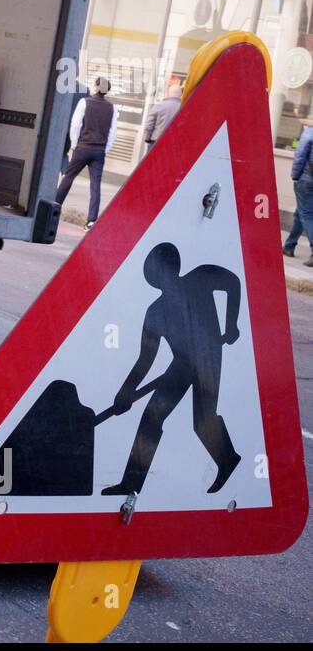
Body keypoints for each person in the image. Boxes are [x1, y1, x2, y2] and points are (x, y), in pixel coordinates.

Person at [102, 242, 242, 497]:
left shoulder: (200, 277)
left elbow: (233, 282)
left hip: (207, 357)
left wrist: (231, 323)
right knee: (151, 416)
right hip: (181, 364)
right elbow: (145, 359)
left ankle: (228, 459)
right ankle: (131, 483)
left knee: (203, 420)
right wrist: (125, 392)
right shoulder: (155, 312)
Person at [55, 76, 118, 229]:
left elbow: (75, 124)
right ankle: (91, 220)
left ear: (96, 88)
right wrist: (105, 148)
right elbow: (112, 132)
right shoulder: (112, 108)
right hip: (99, 151)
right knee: (95, 185)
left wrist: (75, 144)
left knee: (68, 177)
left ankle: (54, 208)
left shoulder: (85, 102)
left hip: (82, 147)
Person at [289, 122, 313, 267]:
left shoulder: (309, 133)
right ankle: (289, 246)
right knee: (301, 213)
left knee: (307, 214)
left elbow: (300, 155)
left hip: (306, 180)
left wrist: (295, 175)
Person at [142, 80, 182, 154]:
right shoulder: (184, 108)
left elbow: (149, 125)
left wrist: (148, 138)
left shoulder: (159, 106)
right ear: (180, 94)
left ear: (168, 93)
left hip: (156, 141)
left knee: (151, 163)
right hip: (174, 144)